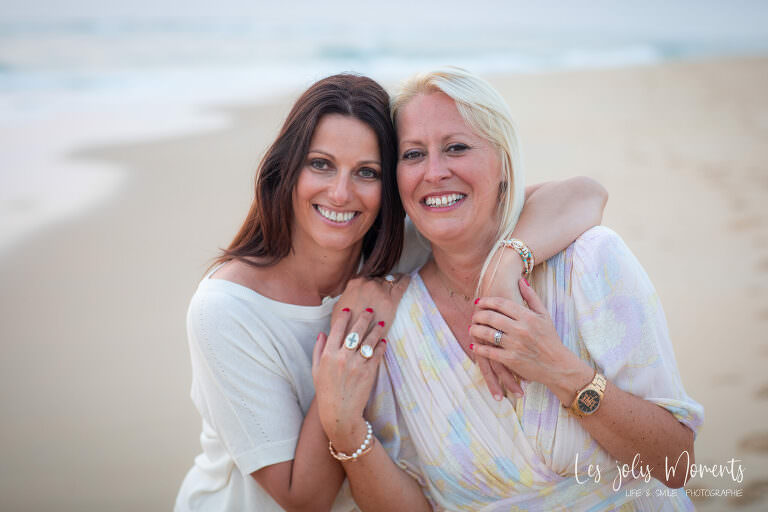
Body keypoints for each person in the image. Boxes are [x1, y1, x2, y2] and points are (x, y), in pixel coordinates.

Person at [175, 73, 609, 512]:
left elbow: (583, 194)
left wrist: (503, 269)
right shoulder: (226, 310)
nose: (341, 193)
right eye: (320, 164)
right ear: (285, 169)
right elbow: (304, 499)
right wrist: (349, 347)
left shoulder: (402, 245)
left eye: (367, 172)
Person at [313, 69, 704, 511]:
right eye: (413, 154)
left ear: (503, 163)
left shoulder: (590, 263)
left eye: (457, 147)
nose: (435, 172)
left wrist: (561, 371)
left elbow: (676, 464)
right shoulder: (390, 320)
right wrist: (344, 430)